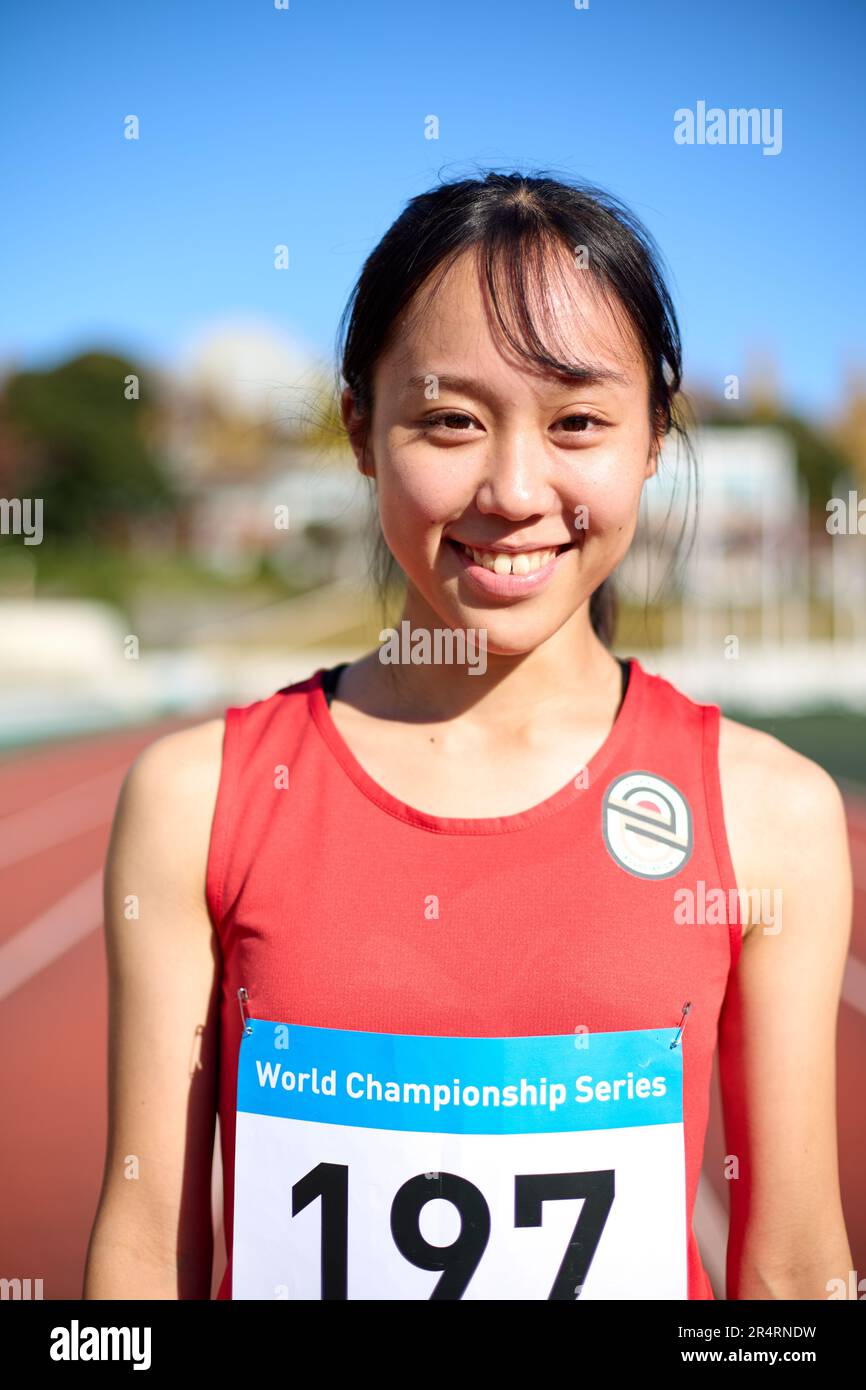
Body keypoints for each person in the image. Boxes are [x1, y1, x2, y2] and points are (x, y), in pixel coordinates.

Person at [83, 170, 853, 1301]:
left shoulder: (770, 816)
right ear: (360, 430)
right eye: (449, 420)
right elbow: (145, 1258)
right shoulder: (197, 799)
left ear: (651, 438)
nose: (511, 488)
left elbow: (792, 1275)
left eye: (577, 421)